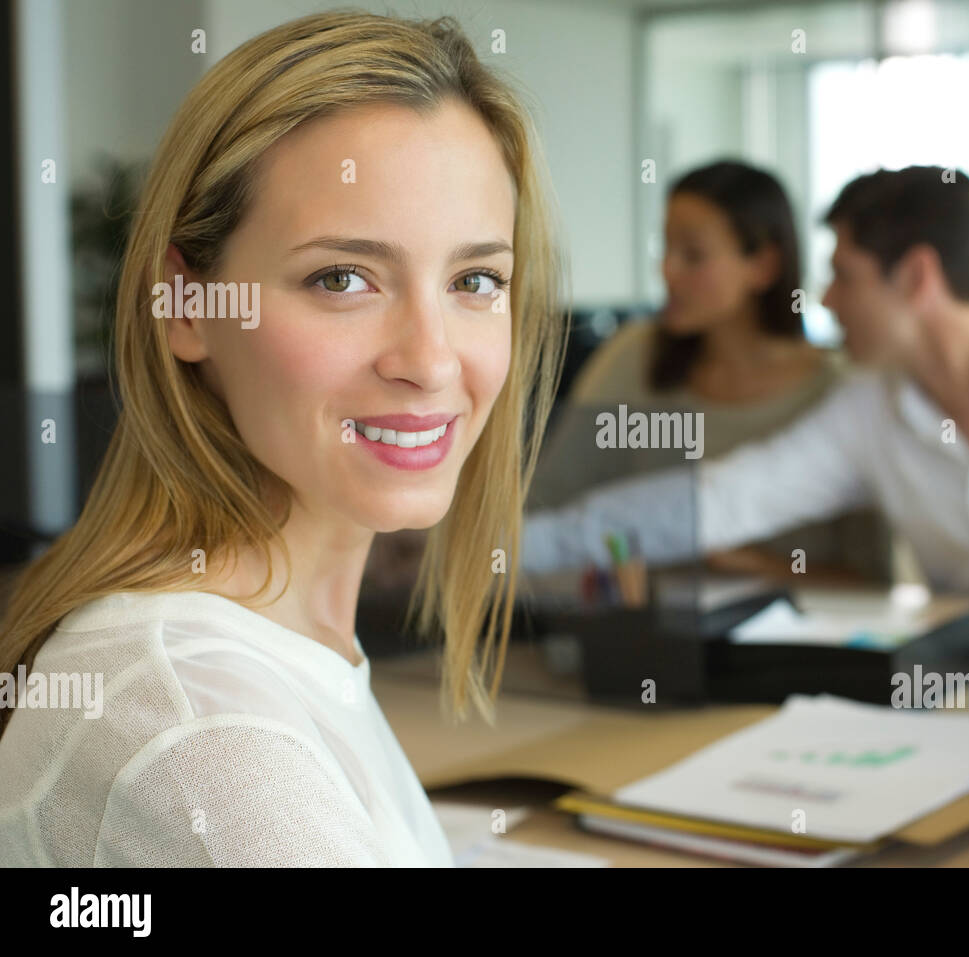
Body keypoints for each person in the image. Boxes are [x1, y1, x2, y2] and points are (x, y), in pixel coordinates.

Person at [0, 12, 566, 867]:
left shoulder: (269, 645)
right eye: (342, 278)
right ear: (186, 304)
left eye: (475, 279)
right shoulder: (206, 730)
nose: (430, 358)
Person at [522, 166, 969, 606]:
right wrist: (509, 548)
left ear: (916, 278)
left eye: (844, 276)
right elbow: (717, 500)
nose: (828, 300)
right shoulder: (867, 412)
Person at [529, 159, 891, 583]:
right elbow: (543, 506)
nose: (667, 271)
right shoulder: (633, 358)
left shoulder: (843, 395)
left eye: (693, 255)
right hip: (640, 638)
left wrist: (757, 566)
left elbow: (876, 585)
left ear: (764, 266)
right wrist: (604, 574)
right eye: (665, 250)